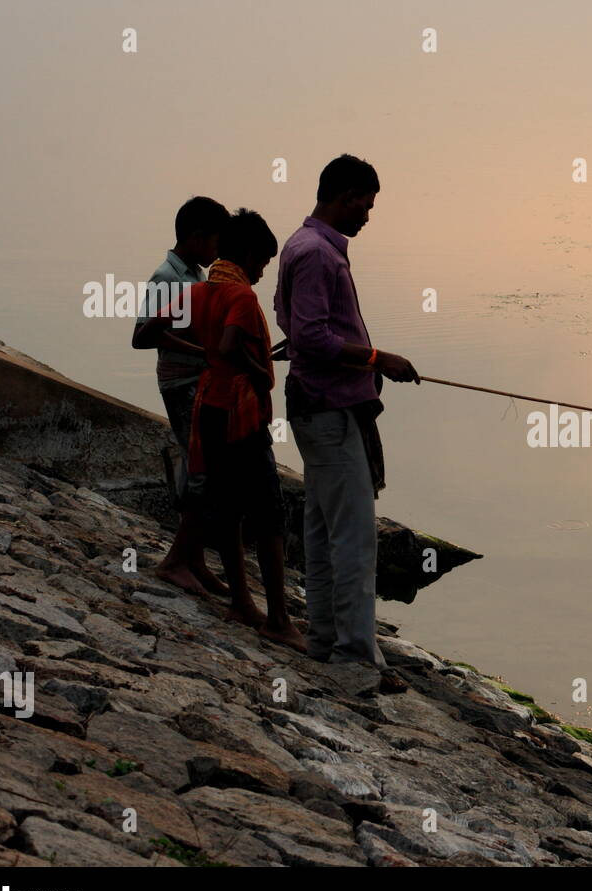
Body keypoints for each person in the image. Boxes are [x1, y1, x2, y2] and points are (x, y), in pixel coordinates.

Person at [274, 154, 419, 692]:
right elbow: (310, 337)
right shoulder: (316, 253)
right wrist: (378, 358)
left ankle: (325, 641)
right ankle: (355, 659)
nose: (367, 215)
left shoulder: (301, 245)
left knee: (322, 530)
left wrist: (360, 357)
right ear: (344, 194)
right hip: (328, 410)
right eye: (365, 203)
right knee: (354, 538)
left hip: (320, 407)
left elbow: (289, 316)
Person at [140, 209, 304, 651]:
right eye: (263, 264)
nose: (262, 272)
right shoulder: (240, 296)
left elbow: (149, 331)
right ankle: (279, 619)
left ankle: (241, 604)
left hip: (207, 406)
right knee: (269, 513)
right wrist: (259, 368)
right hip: (239, 412)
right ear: (249, 255)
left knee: (228, 506)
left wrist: (212, 352)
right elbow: (231, 345)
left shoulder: (198, 290)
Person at [131, 196, 230, 597]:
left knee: (199, 466)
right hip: (181, 383)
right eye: (215, 243)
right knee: (204, 471)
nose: (218, 252)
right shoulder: (168, 279)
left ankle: (195, 562)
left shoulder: (192, 276)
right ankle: (175, 562)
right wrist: (200, 353)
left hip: (198, 379)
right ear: (196, 237)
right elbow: (143, 336)